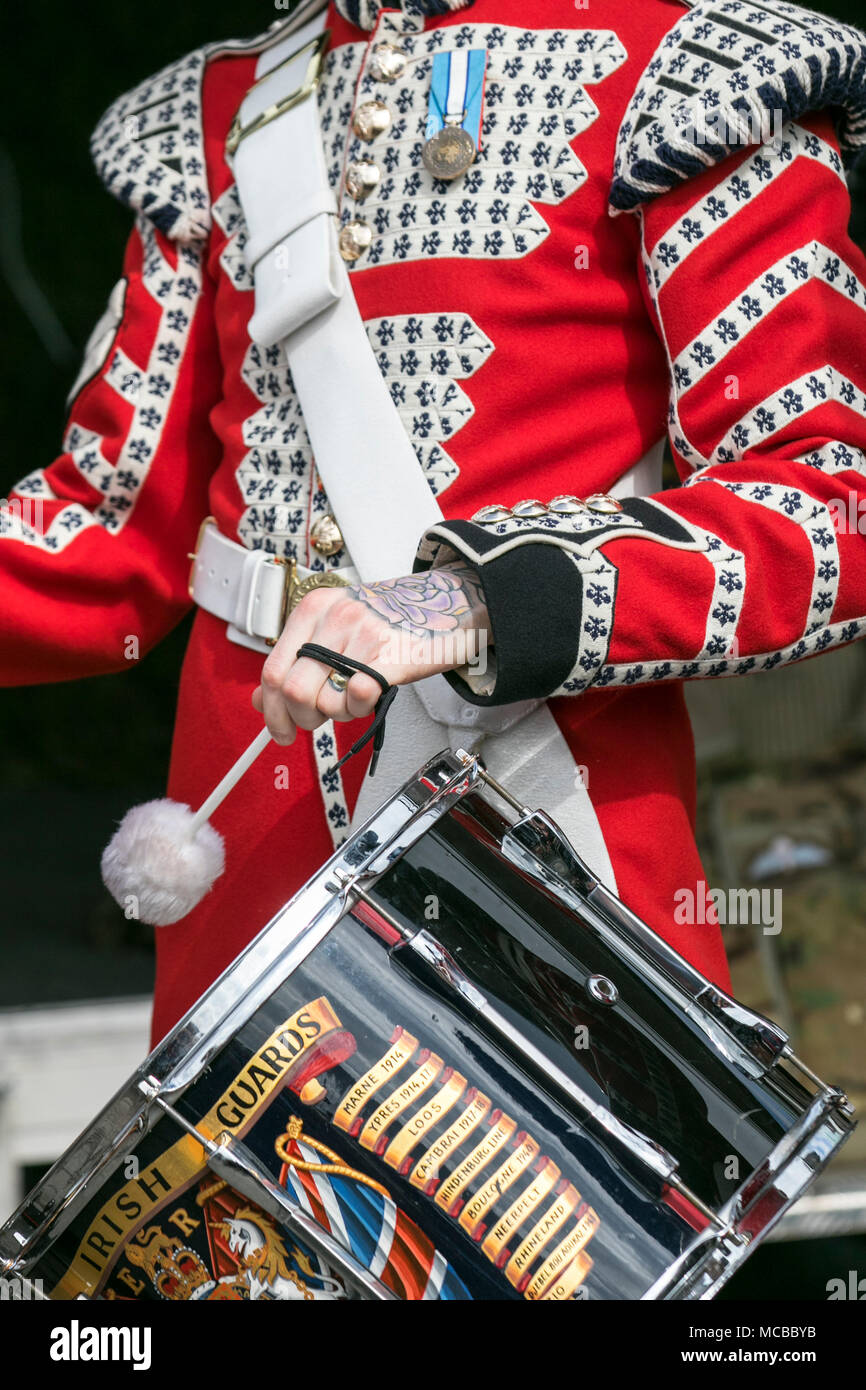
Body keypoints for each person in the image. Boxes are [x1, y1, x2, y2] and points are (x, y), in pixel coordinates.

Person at [3, 0, 866, 1046]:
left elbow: (823, 512)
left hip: (541, 833)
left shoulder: (690, 73)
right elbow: (101, 535)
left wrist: (470, 601)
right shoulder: (211, 117)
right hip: (242, 875)